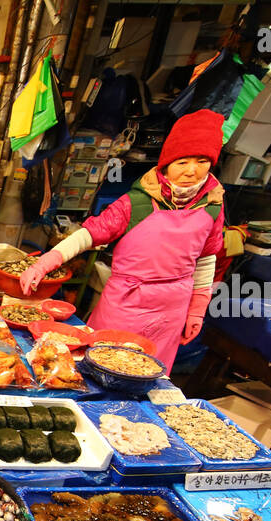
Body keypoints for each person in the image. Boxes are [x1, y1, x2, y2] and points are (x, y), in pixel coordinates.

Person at [21, 108, 226, 372]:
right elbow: (87, 236)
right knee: (100, 367)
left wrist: (197, 308)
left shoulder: (213, 206)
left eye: (201, 161)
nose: (191, 171)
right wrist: (43, 264)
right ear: (166, 164)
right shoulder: (136, 202)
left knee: (149, 375)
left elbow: (206, 259)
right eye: (182, 162)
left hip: (170, 310)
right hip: (125, 304)